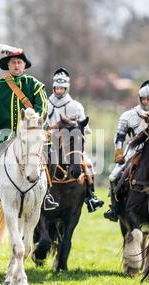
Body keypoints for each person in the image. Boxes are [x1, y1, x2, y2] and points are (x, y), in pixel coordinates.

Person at [0, 44, 57, 209]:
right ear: (8, 66)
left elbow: (43, 109)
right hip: (3, 132)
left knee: (51, 154)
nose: (16, 65)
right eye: (13, 63)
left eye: (19, 62)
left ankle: (47, 195)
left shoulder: (35, 85)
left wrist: (34, 124)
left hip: (31, 131)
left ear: (24, 65)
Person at [104, 80, 149, 222]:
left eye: (148, 99)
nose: (145, 101)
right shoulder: (128, 115)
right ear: (139, 98)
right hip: (134, 151)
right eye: (143, 99)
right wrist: (119, 152)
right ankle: (114, 208)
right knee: (113, 177)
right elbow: (120, 135)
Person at [47, 67, 104, 212]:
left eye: (62, 88)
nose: (59, 90)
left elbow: (85, 129)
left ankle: (91, 196)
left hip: (72, 145)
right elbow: (41, 126)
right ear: (53, 87)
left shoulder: (76, 106)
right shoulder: (45, 104)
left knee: (88, 164)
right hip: (49, 144)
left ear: (67, 88)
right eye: (57, 88)